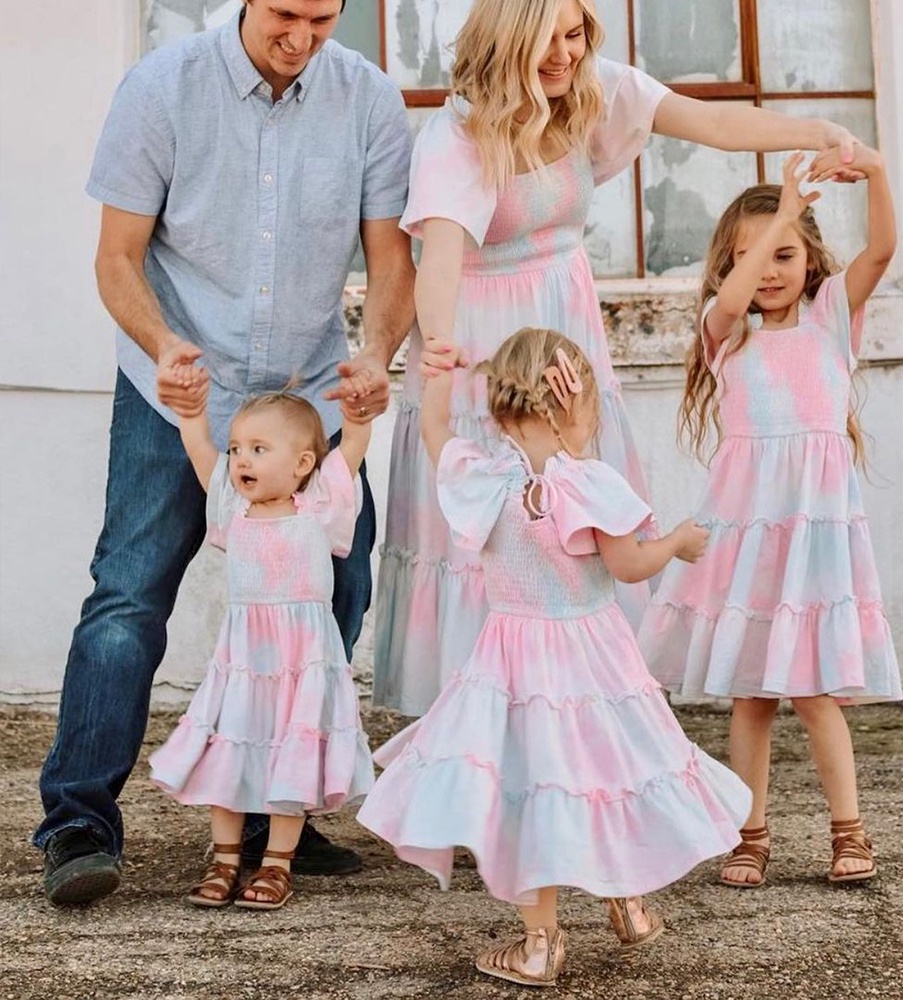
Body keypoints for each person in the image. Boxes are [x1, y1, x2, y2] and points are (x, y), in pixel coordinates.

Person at [373, 0, 866, 717]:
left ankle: (582, 711)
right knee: (498, 517)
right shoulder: (458, 137)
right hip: (482, 342)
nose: (563, 55)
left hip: (565, 327)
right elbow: (439, 259)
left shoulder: (590, 93)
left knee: (578, 511)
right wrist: (442, 363)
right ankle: (483, 722)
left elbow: (716, 123)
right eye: (545, 40)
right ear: (504, 40)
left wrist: (817, 129)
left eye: (574, 35)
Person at [35, 0, 416, 906]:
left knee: (337, 590)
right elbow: (117, 259)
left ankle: (272, 807)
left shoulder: (369, 102)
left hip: (311, 392)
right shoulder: (161, 88)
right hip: (182, 385)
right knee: (130, 590)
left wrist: (376, 354)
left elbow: (392, 262)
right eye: (287, 14)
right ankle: (78, 821)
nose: (304, 37)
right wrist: (166, 348)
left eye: (325, 19)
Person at [358, 328, 752, 988]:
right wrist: (678, 541)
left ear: (500, 408)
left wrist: (438, 374)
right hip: (593, 661)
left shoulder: (482, 480)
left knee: (531, 792)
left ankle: (541, 942)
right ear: (583, 405)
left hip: (513, 662)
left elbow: (431, 431)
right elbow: (629, 566)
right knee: (605, 772)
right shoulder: (590, 484)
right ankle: (627, 902)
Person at [637, 150, 903, 888]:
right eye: (750, 258)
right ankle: (747, 835)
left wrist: (876, 173)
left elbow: (882, 249)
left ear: (811, 259)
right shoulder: (728, 332)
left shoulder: (829, 323)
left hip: (812, 536)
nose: (770, 269)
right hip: (749, 536)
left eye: (785, 253)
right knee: (752, 693)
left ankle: (849, 832)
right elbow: (732, 299)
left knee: (815, 691)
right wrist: (780, 214)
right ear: (727, 270)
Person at [149, 379, 374, 910]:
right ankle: (225, 858)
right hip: (245, 661)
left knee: (291, 756)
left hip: (302, 661)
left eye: (257, 449)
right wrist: (191, 415)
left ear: (301, 465)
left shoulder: (320, 504)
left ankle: (276, 864)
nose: (240, 459)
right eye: (237, 448)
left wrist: (360, 413)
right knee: (230, 751)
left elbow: (354, 446)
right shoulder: (232, 507)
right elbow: (201, 452)